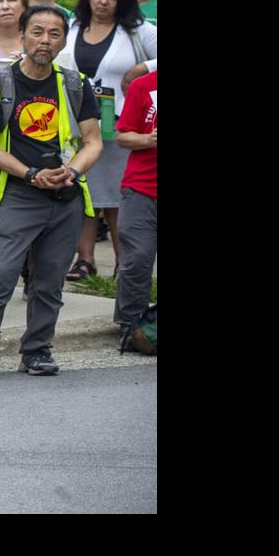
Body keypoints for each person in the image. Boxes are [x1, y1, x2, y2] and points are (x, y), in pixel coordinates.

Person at [0, 6, 100, 382]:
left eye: (53, 33)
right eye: (37, 32)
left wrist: (73, 170)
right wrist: (31, 174)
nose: (44, 41)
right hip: (19, 194)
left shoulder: (75, 83)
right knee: (0, 276)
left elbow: (93, 142)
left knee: (49, 281)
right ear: (23, 37)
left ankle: (37, 351)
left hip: (65, 196)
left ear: (64, 39)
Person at [58, 0, 155, 282]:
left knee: (115, 195)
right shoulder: (72, 27)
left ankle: (123, 261)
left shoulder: (139, 31)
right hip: (74, 123)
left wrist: (145, 67)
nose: (104, 1)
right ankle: (84, 260)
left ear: (123, 0)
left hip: (121, 125)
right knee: (81, 189)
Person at [111, 65, 155, 347]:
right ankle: (131, 328)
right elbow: (122, 135)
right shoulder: (143, 86)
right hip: (142, 189)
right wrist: (148, 139)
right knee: (137, 259)